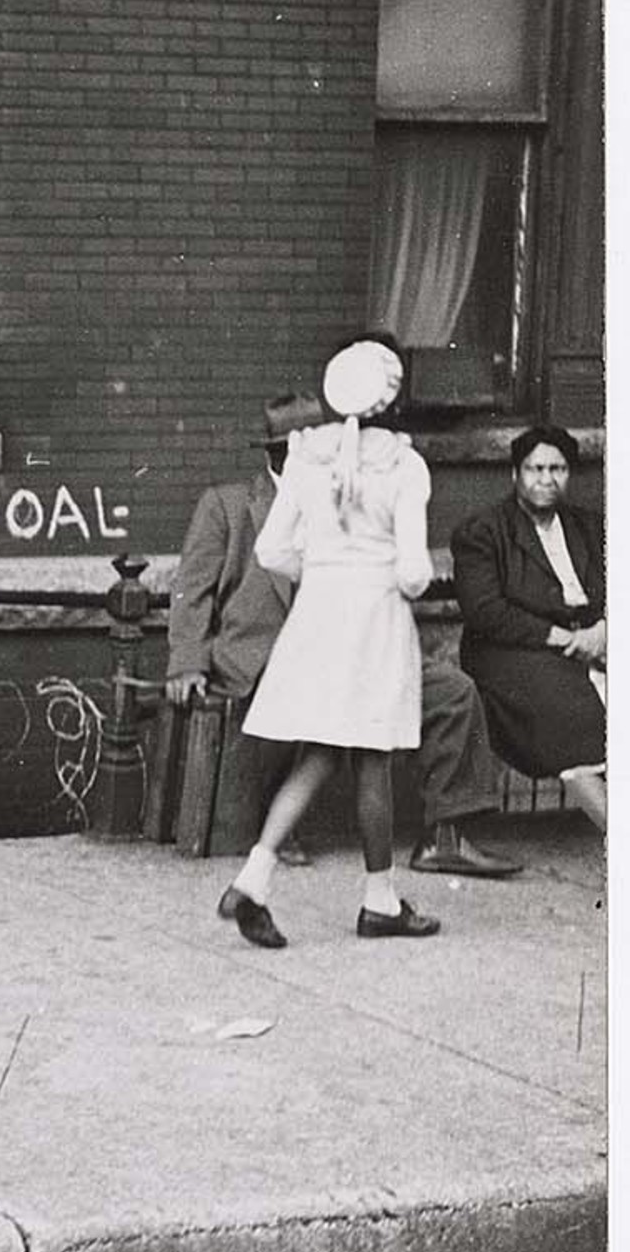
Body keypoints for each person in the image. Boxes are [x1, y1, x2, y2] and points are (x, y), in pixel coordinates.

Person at [165, 395, 518, 877]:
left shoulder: (356, 487)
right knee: (324, 719)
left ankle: (446, 836)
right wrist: (187, 660)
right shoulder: (228, 504)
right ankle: (282, 839)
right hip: (263, 652)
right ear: (278, 450)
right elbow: (192, 588)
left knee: (453, 692)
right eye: (292, 449)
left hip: (357, 646)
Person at [219, 336, 440, 949]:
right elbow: (413, 572)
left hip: (318, 615)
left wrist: (321, 572)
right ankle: (379, 901)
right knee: (372, 759)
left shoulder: (305, 457)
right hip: (374, 621)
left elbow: (271, 552)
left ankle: (255, 876)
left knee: (317, 753)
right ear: (392, 398)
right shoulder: (404, 465)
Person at [452, 424, 607, 833]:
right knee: (570, 717)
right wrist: (564, 638)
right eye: (535, 468)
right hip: (512, 652)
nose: (546, 479)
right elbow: (486, 612)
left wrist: (604, 629)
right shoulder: (483, 532)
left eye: (557, 469)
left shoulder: (591, 527)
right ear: (515, 474)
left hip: (593, 641)